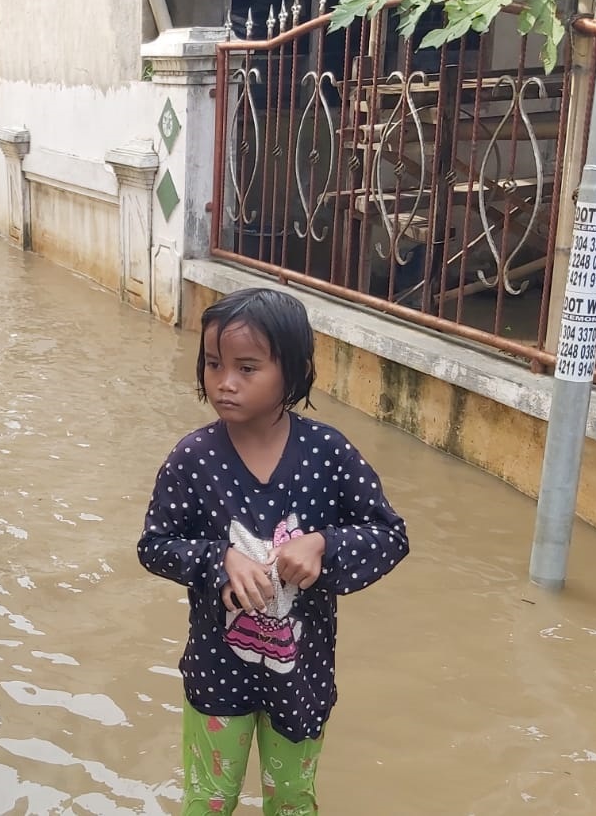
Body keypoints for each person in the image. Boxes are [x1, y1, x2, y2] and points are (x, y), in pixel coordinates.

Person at [136, 288, 409, 815]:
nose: (225, 382)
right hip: (216, 672)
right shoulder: (193, 459)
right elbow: (155, 545)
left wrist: (324, 543)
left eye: (246, 367)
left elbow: (390, 535)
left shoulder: (329, 454)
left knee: (292, 802)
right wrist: (220, 560)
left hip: (302, 676)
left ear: (294, 371)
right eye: (213, 364)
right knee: (208, 802)